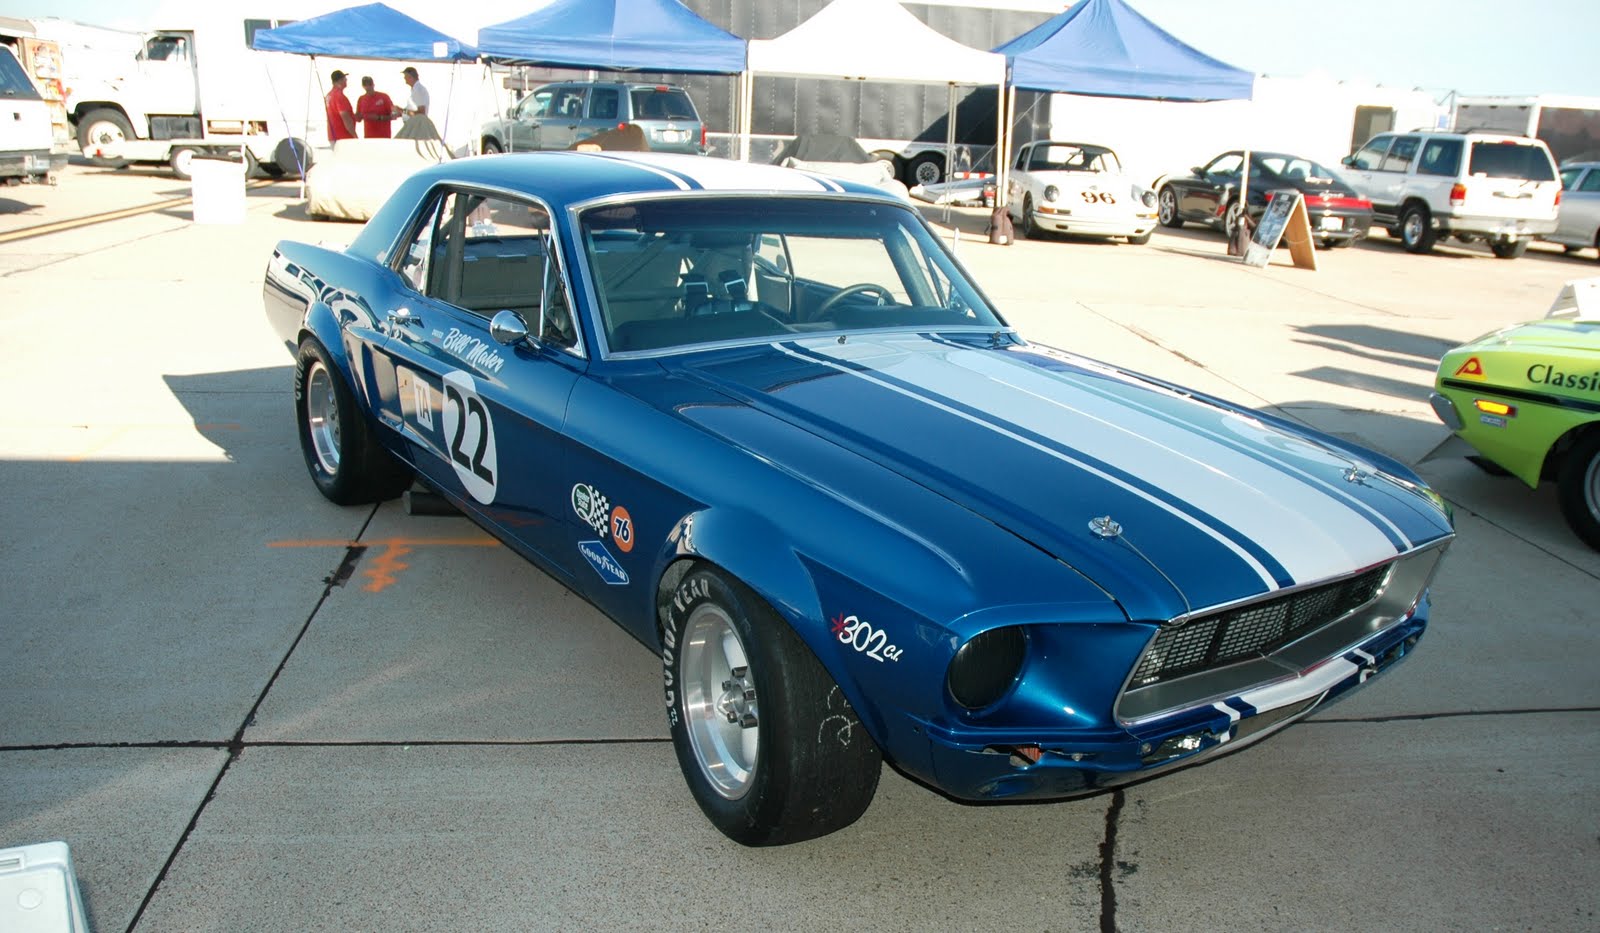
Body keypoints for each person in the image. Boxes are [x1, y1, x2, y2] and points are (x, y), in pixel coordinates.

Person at [324, 70, 357, 144]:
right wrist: (354, 136)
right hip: (343, 137)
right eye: (344, 79)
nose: (346, 80)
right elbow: (345, 117)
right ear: (339, 81)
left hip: (333, 136)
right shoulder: (339, 96)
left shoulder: (329, 95)